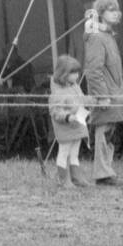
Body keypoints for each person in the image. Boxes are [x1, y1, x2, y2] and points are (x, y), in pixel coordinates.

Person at [83, 0, 123, 185]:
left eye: (116, 10)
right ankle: (102, 173)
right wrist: (102, 96)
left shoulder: (108, 36)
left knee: (110, 132)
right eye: (111, 10)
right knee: (104, 131)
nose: (116, 13)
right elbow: (94, 70)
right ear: (101, 14)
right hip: (107, 94)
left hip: (115, 92)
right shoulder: (96, 37)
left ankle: (106, 171)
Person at [48, 54, 91, 187]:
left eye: (77, 72)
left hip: (78, 126)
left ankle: (76, 177)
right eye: (73, 73)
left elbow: (82, 99)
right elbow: (56, 112)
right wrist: (67, 117)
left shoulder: (75, 87)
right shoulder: (57, 92)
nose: (77, 75)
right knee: (64, 151)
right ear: (63, 74)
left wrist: (94, 100)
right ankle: (64, 179)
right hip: (66, 128)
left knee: (74, 152)